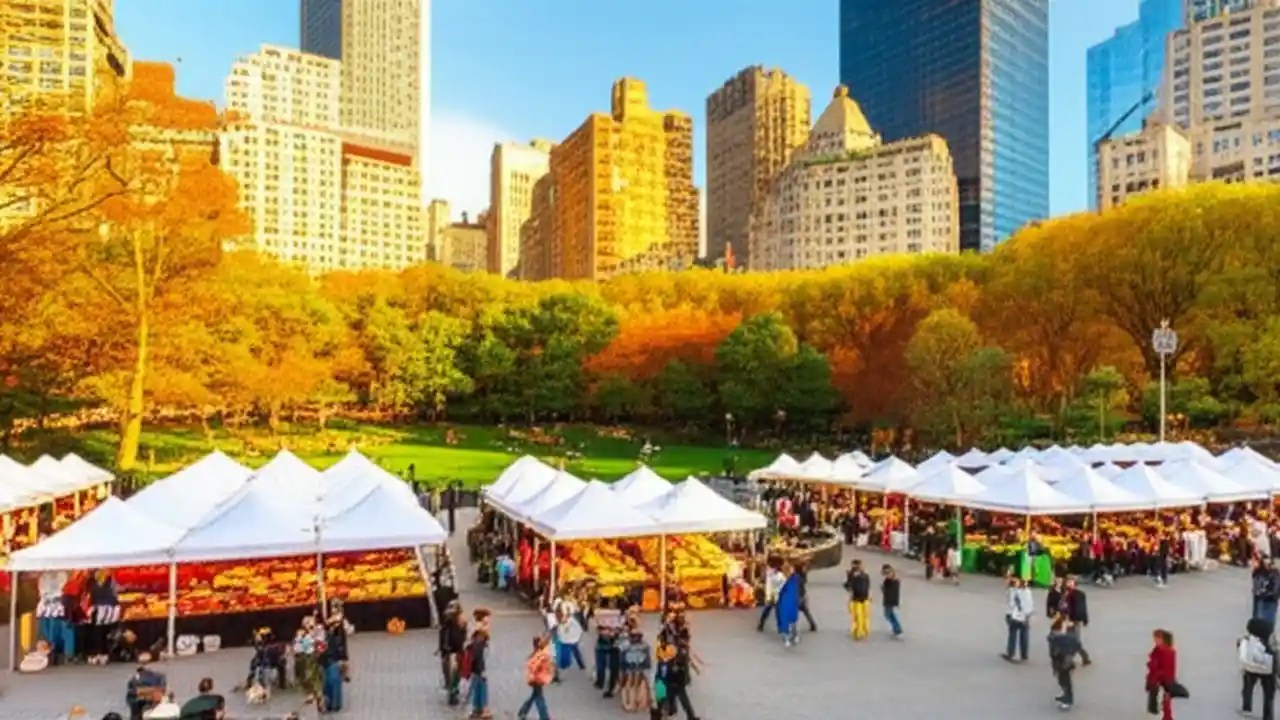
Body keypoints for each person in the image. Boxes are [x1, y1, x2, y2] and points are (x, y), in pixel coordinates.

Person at [1240, 617, 1277, 720]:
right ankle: (1268, 714)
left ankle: (1247, 705)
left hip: (1251, 667)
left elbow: (1242, 652)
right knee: (1269, 692)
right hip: (1267, 669)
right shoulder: (1271, 643)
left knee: (1248, 686)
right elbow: (1276, 656)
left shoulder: (1247, 640)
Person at [1047, 616, 1082, 711]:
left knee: (1065, 680)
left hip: (1064, 662)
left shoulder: (1067, 638)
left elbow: (1073, 648)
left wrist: (1067, 659)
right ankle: (1064, 694)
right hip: (1059, 661)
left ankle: (1068, 700)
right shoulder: (1056, 637)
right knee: (1061, 679)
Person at [1058, 576, 1092, 666]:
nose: (1069, 584)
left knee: (1075, 641)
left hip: (1075, 620)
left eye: (1071, 582)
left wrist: (1084, 619)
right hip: (1066, 620)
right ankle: (1084, 657)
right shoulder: (1064, 594)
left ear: (1075, 583)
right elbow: (1061, 607)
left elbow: (1082, 608)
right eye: (1067, 582)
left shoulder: (1079, 594)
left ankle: (1070, 661)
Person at [517, 636, 553, 720]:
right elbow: (534, 667)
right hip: (537, 680)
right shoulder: (541, 656)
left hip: (535, 679)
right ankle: (544, 717)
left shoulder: (537, 654)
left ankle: (523, 712)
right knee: (539, 698)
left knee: (534, 696)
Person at [438, 603, 467, 706]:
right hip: (449, 652)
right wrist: (443, 649)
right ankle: (452, 691)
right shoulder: (447, 625)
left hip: (457, 652)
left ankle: (453, 691)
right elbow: (443, 638)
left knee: (455, 673)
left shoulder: (462, 624)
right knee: (450, 673)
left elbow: (463, 638)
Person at [1146, 629, 1178, 720]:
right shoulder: (1158, 650)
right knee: (1161, 705)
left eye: (1157, 638)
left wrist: (1157, 678)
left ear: (1163, 639)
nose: (1155, 640)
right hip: (1158, 680)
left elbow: (1165, 668)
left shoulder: (1166, 651)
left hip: (1164, 680)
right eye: (1155, 638)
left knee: (1165, 705)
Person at [619, 629, 651, 713]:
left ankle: (634, 702)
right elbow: (622, 657)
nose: (635, 638)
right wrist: (622, 666)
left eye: (637, 636)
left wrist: (646, 665)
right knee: (629, 685)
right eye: (634, 636)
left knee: (636, 685)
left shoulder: (644, 646)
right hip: (629, 667)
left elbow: (647, 657)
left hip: (638, 668)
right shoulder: (626, 645)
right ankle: (629, 703)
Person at [1003, 577, 1033, 663]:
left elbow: (1010, 604)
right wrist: (1028, 615)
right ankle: (1024, 655)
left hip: (1014, 616)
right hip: (1023, 615)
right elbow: (1030, 604)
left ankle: (1011, 653)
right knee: (1024, 635)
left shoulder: (1012, 591)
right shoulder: (1027, 592)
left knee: (1013, 634)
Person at [844, 559, 872, 640]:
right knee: (859, 615)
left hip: (860, 598)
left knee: (861, 615)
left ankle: (861, 630)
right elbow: (849, 585)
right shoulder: (857, 575)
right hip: (859, 598)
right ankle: (859, 631)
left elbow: (866, 586)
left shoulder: (863, 576)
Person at [466, 628, 490, 719]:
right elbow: (481, 660)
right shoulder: (481, 646)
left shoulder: (473, 646)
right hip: (479, 671)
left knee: (476, 689)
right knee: (481, 690)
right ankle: (482, 708)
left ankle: (477, 708)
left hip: (476, 671)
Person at [775, 563, 801, 648]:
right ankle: (795, 636)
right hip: (792, 602)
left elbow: (778, 591)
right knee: (792, 620)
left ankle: (787, 639)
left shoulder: (782, 579)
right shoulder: (795, 579)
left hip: (784, 603)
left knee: (784, 621)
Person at [555, 604, 586, 673]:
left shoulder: (572, 619)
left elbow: (578, 629)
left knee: (575, 651)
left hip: (572, 638)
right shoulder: (562, 617)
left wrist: (577, 637)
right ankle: (563, 665)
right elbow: (560, 627)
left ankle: (581, 664)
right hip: (566, 638)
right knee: (566, 651)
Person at [756, 560, 784, 632]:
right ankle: (761, 624)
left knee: (777, 612)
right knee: (767, 611)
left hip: (777, 595)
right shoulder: (769, 575)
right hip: (771, 596)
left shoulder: (780, 576)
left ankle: (780, 626)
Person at [1254, 558, 1280, 625]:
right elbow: (1257, 586)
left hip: (1271, 600)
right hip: (1262, 599)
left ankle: (1268, 632)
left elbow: (1276, 587)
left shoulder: (1275, 574)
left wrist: (1274, 594)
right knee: (1261, 619)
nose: (1267, 565)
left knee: (1269, 620)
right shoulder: (1259, 573)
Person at [795, 561, 818, 632]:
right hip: (802, 596)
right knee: (806, 611)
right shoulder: (802, 576)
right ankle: (813, 625)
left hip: (798, 597)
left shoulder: (797, 577)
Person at [881, 564, 903, 638]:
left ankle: (897, 628)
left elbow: (890, 590)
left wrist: (883, 589)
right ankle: (896, 628)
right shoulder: (893, 579)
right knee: (890, 614)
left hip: (889, 600)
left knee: (887, 614)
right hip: (890, 599)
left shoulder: (892, 580)